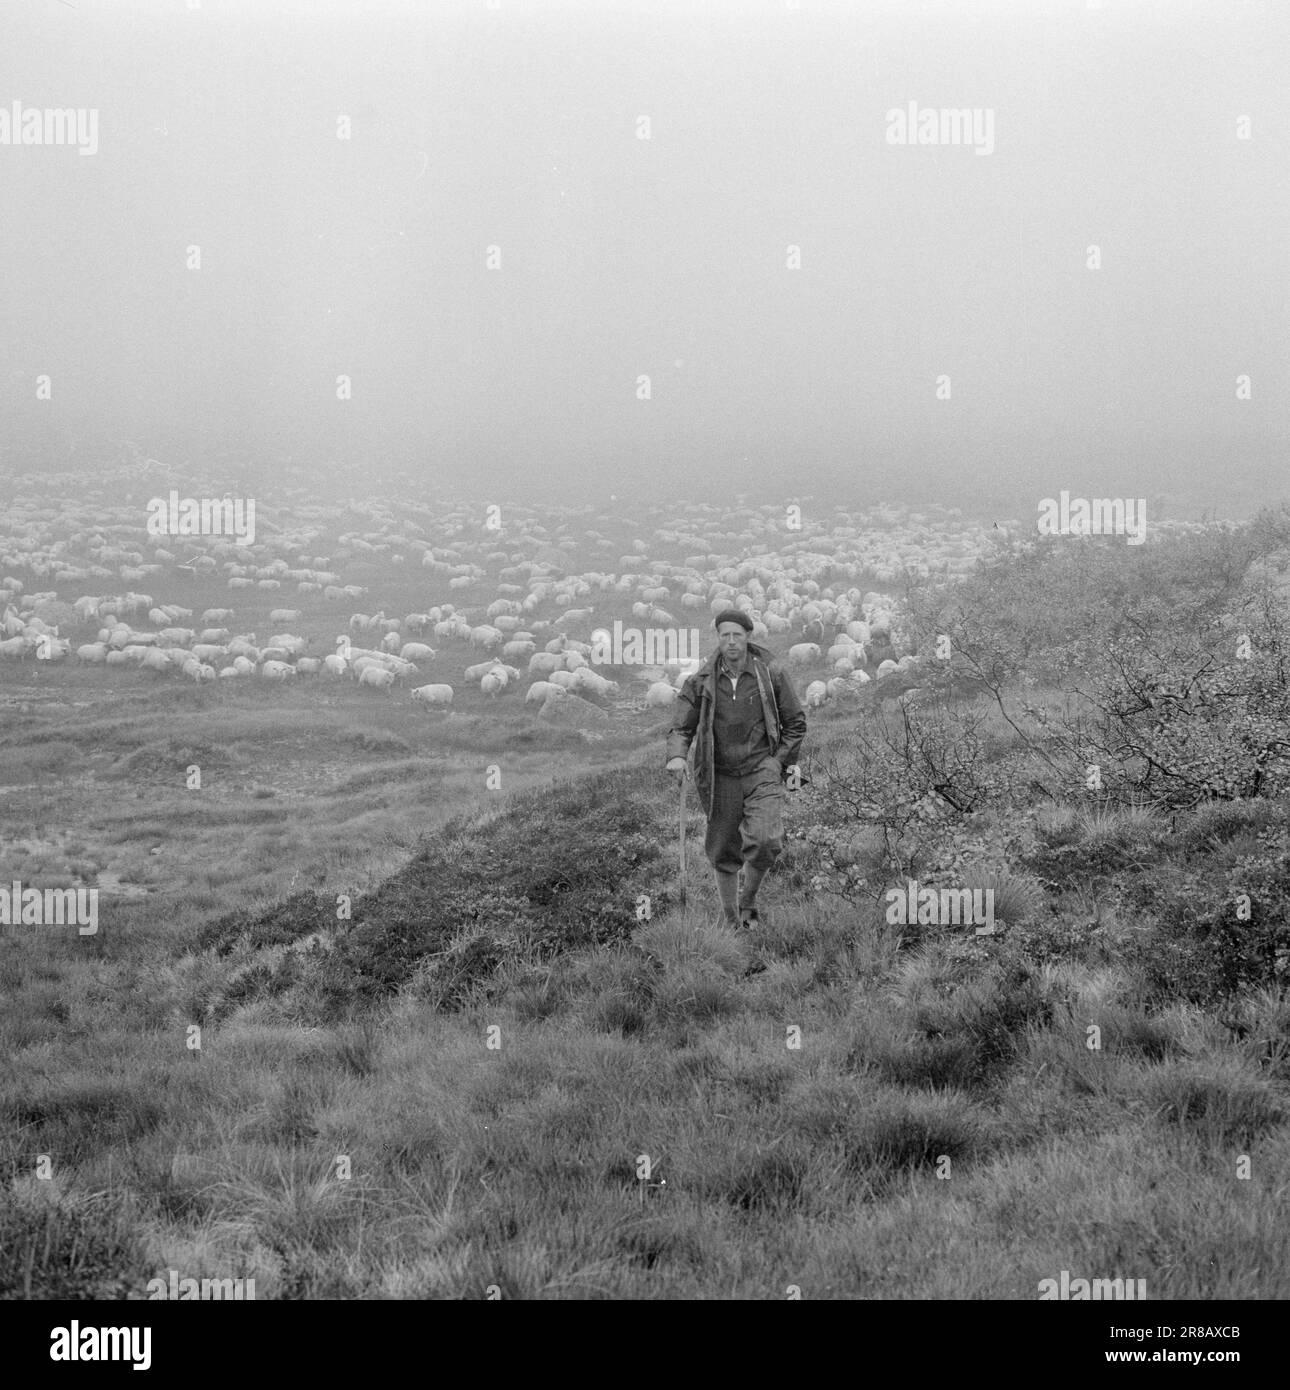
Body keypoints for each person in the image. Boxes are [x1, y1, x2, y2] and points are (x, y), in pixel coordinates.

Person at [665, 609, 806, 927]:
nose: (731, 641)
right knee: (724, 850)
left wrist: (777, 762)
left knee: (766, 840)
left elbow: (795, 722)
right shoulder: (701, 680)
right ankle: (731, 921)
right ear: (718, 638)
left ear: (747, 637)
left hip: (761, 772)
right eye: (724, 635)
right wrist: (677, 755)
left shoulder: (771, 673)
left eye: (737, 635)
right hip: (720, 775)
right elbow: (681, 726)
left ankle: (748, 902)